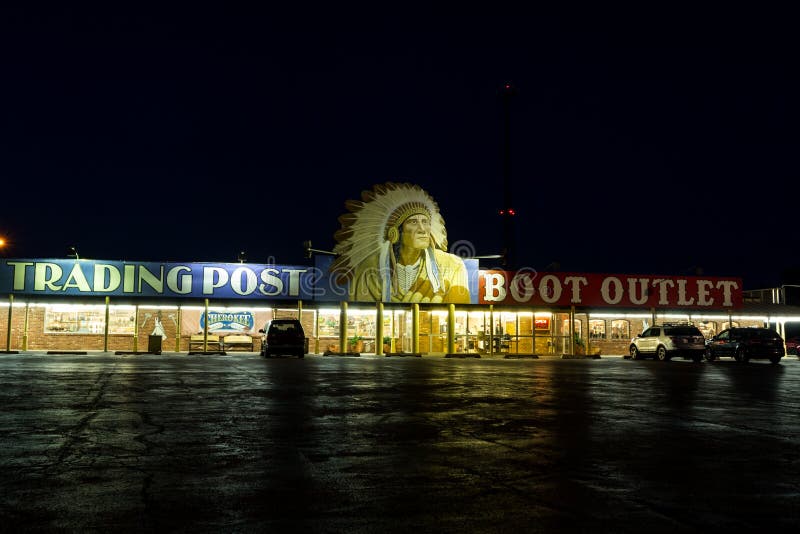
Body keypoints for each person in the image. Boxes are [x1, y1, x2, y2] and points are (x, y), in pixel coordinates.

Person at [330, 182, 471, 303]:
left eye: (425, 222)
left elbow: (459, 315)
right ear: (396, 232)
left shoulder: (452, 266)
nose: (422, 229)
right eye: (413, 222)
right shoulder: (368, 270)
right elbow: (362, 316)